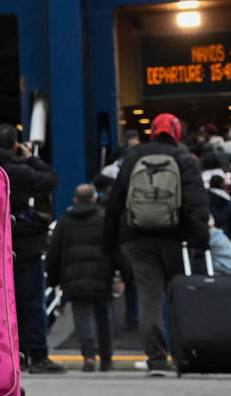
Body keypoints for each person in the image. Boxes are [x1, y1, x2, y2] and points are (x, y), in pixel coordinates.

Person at [103, 112, 210, 376]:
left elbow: (115, 201)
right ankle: (183, 356)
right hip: (176, 237)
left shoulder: (133, 157)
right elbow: (196, 202)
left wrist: (110, 243)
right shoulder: (184, 158)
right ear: (176, 132)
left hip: (137, 238)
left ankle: (156, 360)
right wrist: (201, 240)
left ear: (152, 131)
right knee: (178, 297)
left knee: (149, 297)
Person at [0, 124, 65, 374]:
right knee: (31, 302)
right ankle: (37, 355)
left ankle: (7, 357)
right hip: (25, 244)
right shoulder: (17, 170)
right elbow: (51, 180)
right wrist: (31, 158)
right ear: (14, 145)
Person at [46, 185, 118, 372]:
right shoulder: (104, 219)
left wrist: (52, 279)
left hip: (74, 278)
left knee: (82, 317)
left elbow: (54, 252)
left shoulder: (65, 220)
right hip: (102, 276)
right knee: (104, 318)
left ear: (75, 200)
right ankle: (107, 359)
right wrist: (123, 274)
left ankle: (89, 356)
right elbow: (116, 248)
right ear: (95, 199)